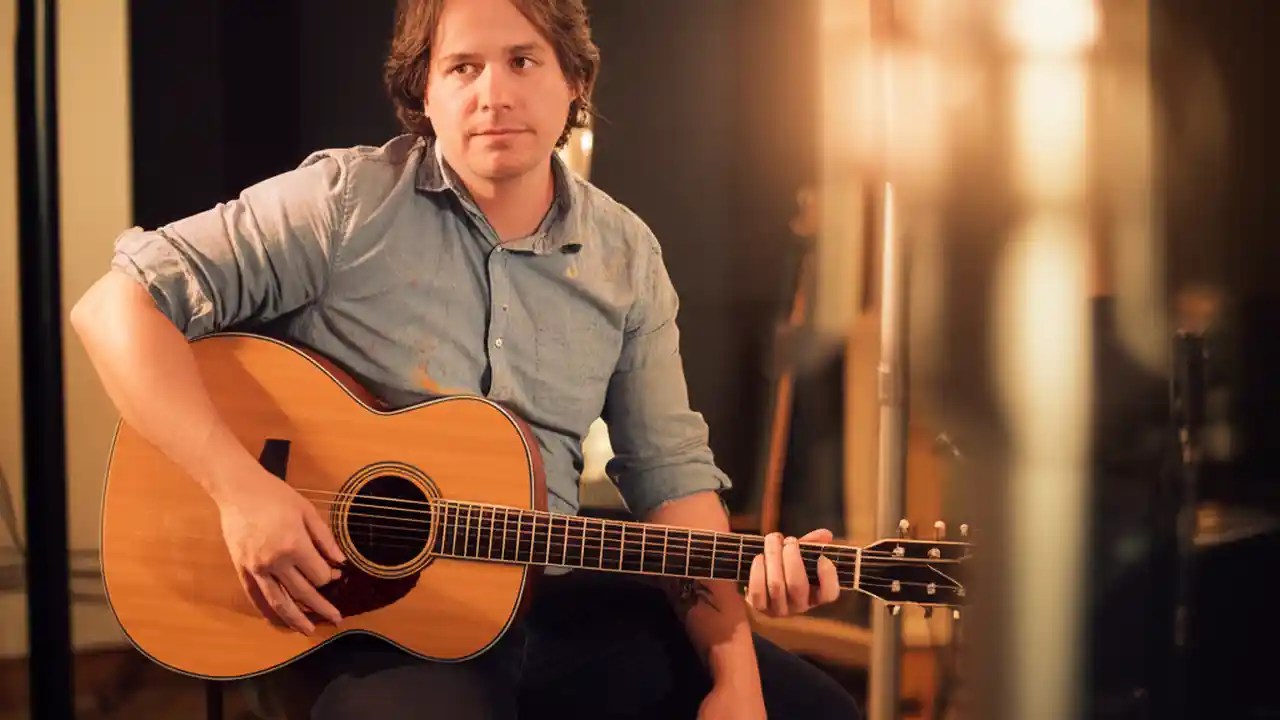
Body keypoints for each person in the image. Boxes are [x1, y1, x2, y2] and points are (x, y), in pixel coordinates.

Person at [71, 0, 862, 717]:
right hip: (347, 615)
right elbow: (112, 307)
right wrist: (241, 491)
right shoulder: (345, 203)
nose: (494, 95)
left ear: (574, 81)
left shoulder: (625, 256)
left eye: (522, 60)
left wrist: (735, 681)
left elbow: (673, 481)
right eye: (462, 67)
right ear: (423, 91)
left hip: (547, 604)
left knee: (816, 711)